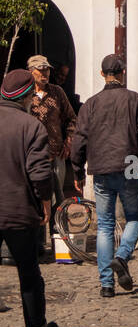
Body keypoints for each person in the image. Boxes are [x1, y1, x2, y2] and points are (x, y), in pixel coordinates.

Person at [70, 54, 138, 299]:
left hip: (100, 167)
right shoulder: (135, 100)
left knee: (105, 226)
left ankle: (106, 284)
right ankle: (121, 256)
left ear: (103, 74)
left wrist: (77, 171)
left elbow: (79, 140)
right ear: (123, 73)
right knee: (134, 217)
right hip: (129, 164)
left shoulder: (90, 104)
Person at [0, 70, 61, 327]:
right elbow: (39, 172)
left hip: (14, 209)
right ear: (26, 96)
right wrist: (46, 202)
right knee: (28, 271)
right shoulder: (30, 125)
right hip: (18, 210)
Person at [27, 54, 77, 227]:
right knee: (36, 197)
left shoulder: (57, 92)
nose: (44, 73)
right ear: (31, 72)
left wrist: (69, 140)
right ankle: (39, 242)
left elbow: (72, 119)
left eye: (46, 69)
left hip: (56, 153)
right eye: (40, 70)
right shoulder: (25, 94)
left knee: (58, 198)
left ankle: (58, 237)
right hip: (32, 155)